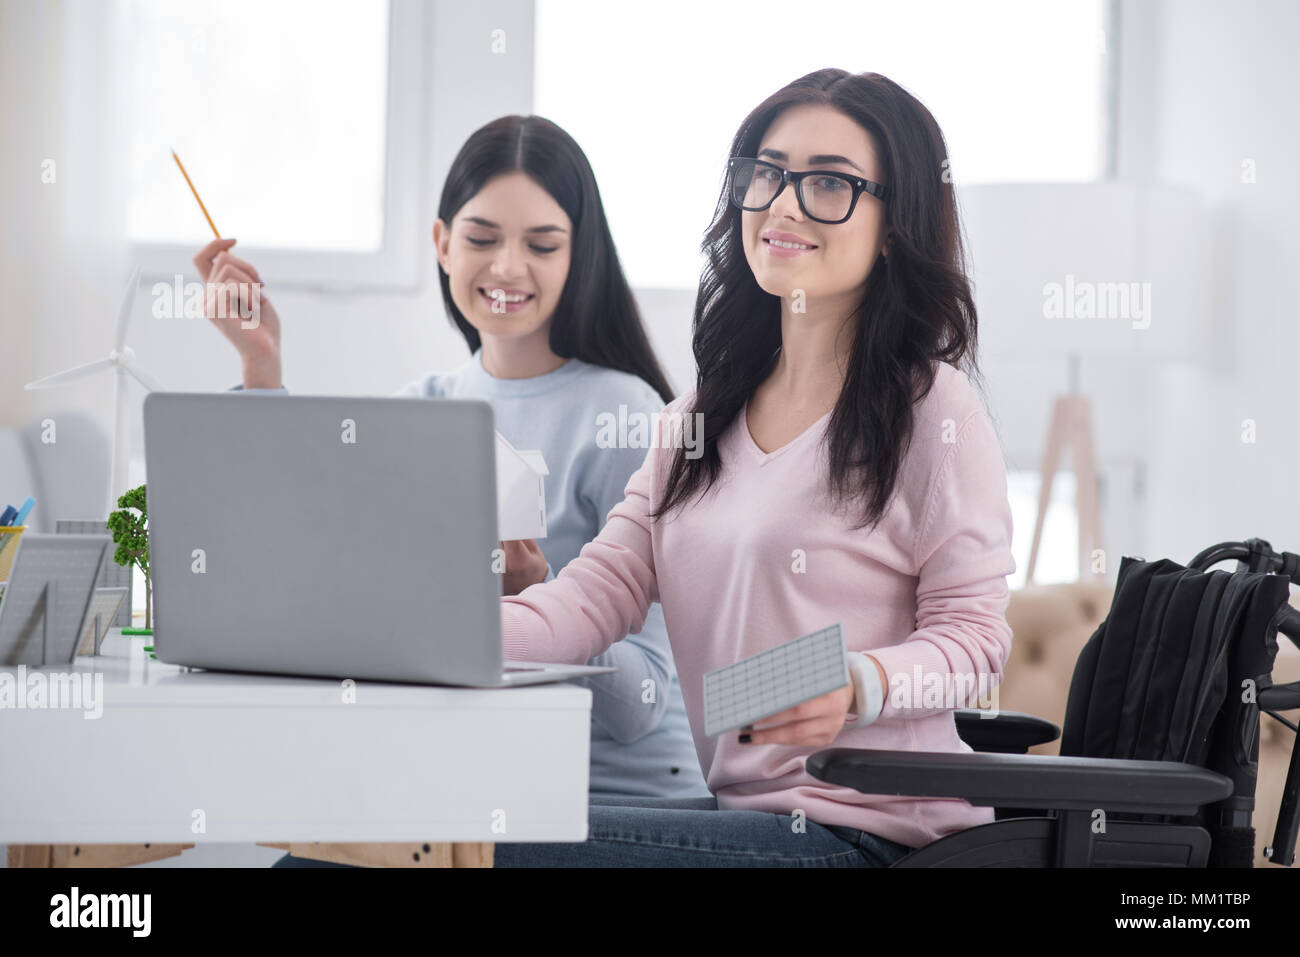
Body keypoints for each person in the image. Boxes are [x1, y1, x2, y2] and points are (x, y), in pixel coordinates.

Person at [490, 68, 1017, 867]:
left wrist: (855, 682)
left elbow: (976, 641)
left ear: (895, 221)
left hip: (871, 834)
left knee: (468, 847)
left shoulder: (933, 413)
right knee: (387, 841)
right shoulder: (695, 422)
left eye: (830, 183)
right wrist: (423, 635)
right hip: (740, 820)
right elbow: (590, 602)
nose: (784, 202)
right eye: (767, 173)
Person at [195, 117, 711, 868]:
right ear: (441, 243)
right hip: (465, 787)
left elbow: (643, 707)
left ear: (579, 256)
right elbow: (299, 577)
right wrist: (261, 369)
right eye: (480, 238)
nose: (508, 266)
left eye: (541, 243)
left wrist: (545, 597)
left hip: (603, 807)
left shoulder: (625, 416)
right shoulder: (421, 409)